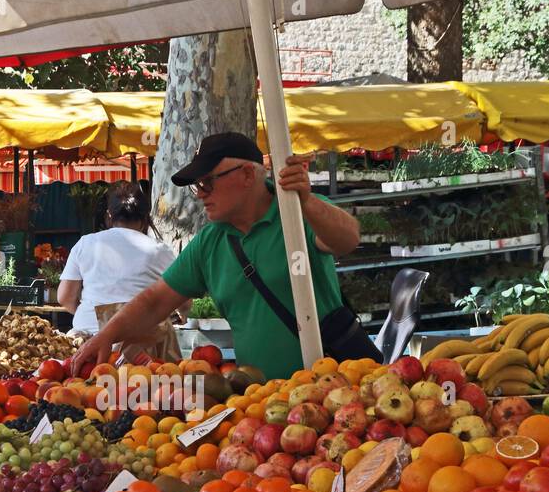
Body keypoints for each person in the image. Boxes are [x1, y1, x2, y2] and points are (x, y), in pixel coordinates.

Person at [72, 132, 361, 381]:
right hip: (259, 400)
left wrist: (307, 200)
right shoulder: (211, 242)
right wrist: (106, 336)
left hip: (329, 390)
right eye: (197, 185)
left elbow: (347, 239)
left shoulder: (297, 212)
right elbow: (155, 301)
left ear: (248, 174)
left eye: (208, 182)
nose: (200, 194)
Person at [57, 181, 175, 335]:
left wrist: (90, 316)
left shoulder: (86, 243)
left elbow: (65, 297)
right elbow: (183, 302)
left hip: (88, 339)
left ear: (110, 215)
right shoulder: (160, 250)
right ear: (145, 217)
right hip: (140, 345)